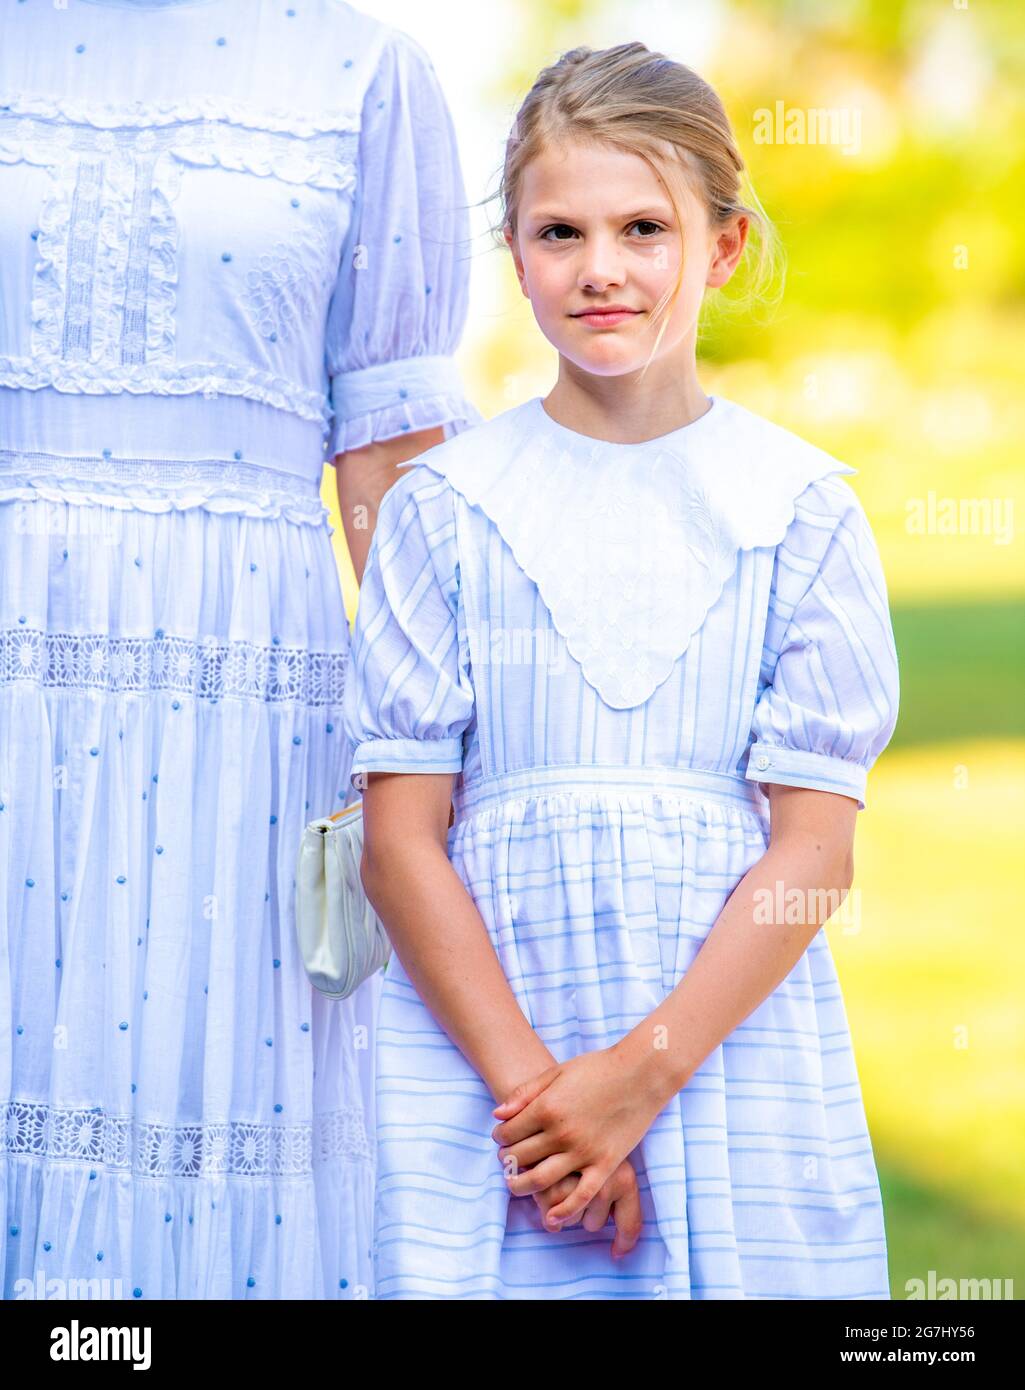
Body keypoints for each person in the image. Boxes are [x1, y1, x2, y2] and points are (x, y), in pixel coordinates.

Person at [342, 42, 900, 1299]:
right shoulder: (445, 507)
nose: (600, 268)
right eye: (558, 232)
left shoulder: (794, 509)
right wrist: (546, 1109)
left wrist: (641, 1074)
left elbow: (811, 849)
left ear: (724, 246)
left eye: (643, 227)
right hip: (489, 1064)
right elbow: (399, 844)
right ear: (516, 253)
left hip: (718, 1047)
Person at [0, 0, 478, 1299]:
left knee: (198, 1071)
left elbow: (384, 446)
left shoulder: (362, 68)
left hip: (240, 697)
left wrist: (432, 741)